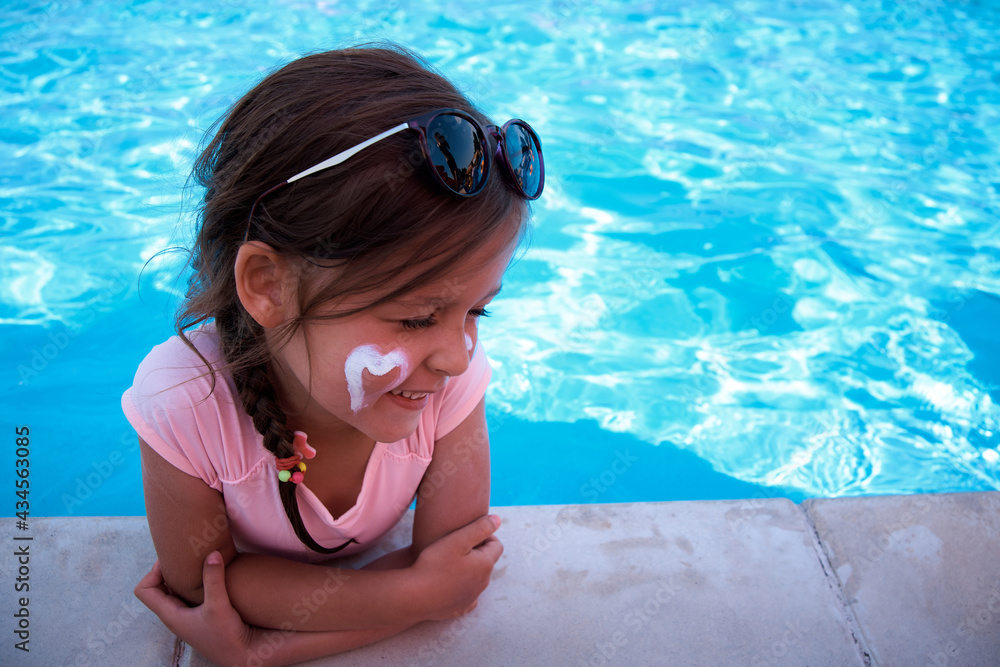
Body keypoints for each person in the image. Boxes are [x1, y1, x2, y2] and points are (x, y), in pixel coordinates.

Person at [123, 44, 544, 665]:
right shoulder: (185, 403)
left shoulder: (447, 381)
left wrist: (263, 651)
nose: (457, 356)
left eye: (477, 311)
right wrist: (409, 595)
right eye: (416, 317)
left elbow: (455, 569)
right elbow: (200, 583)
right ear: (270, 286)